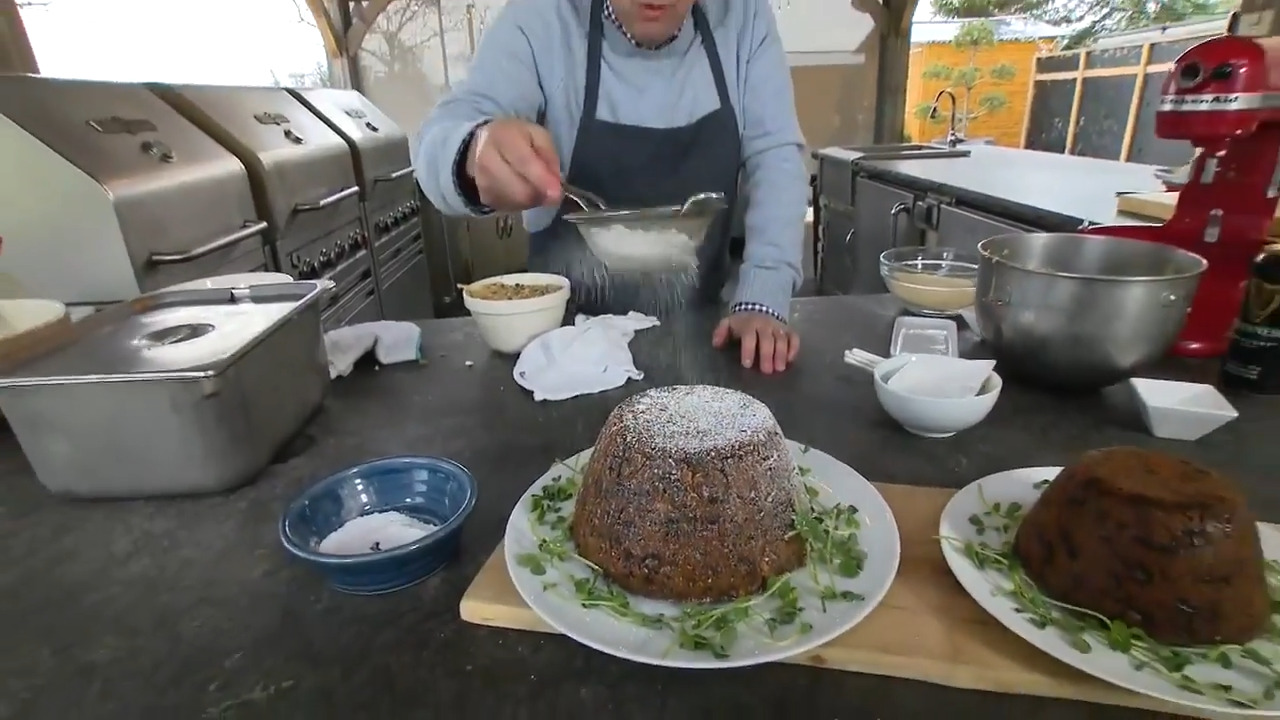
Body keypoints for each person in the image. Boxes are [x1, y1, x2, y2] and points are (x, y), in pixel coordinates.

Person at [414, 0, 808, 374]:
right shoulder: (544, 17)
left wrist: (763, 294)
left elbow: (776, 157)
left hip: (707, 338)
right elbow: (445, 132)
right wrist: (473, 153)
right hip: (563, 353)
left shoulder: (742, 17)